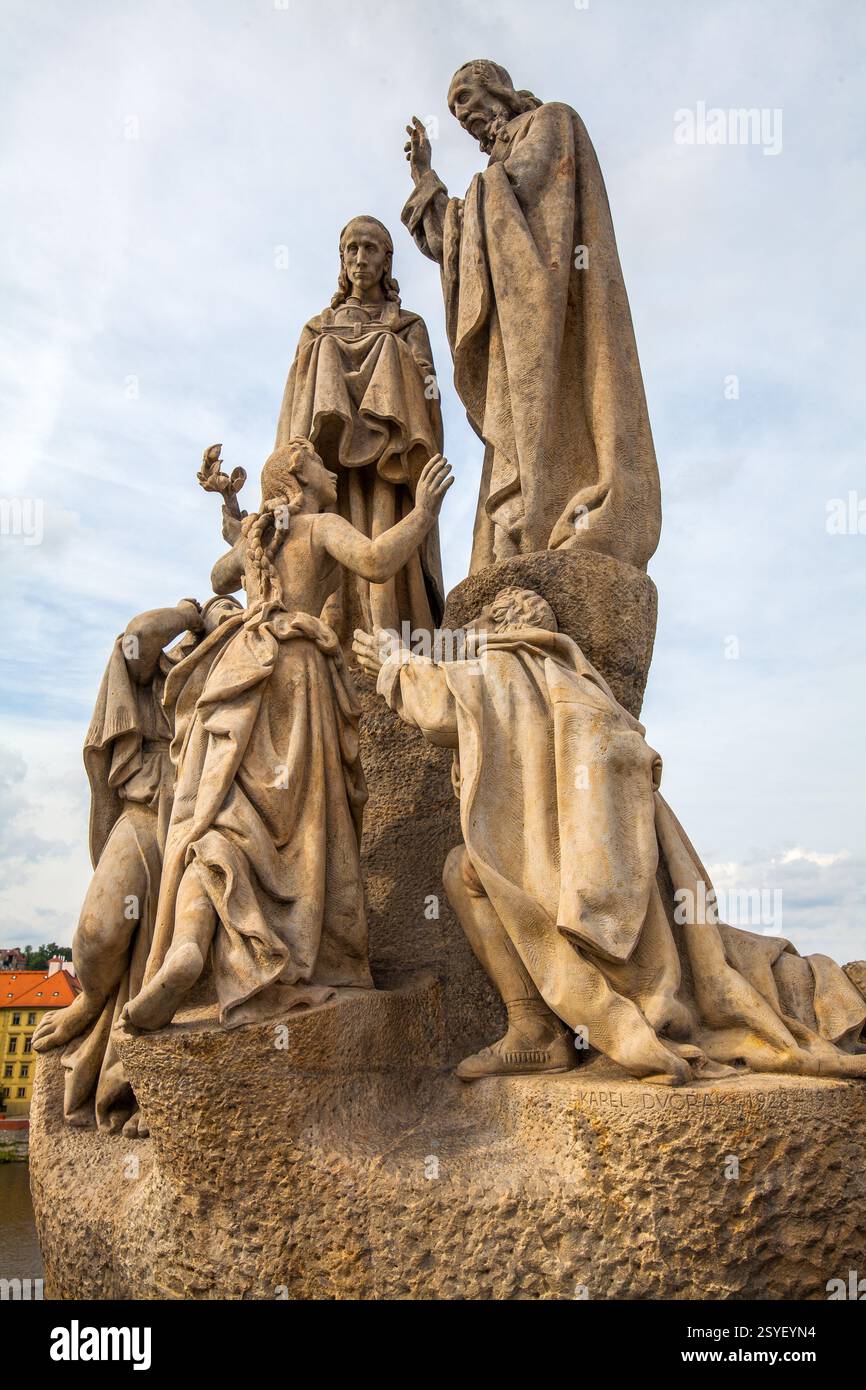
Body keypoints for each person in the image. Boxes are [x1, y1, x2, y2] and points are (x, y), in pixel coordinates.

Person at [354, 588, 866, 1084]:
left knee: (462, 870)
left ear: (501, 625)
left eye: (482, 620)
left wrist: (393, 662)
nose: (469, 633)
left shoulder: (507, 664)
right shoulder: (576, 681)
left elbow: (443, 711)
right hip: (611, 882)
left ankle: (533, 1029)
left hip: (558, 879)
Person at [121, 441, 452, 1033]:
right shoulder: (322, 524)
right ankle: (299, 953)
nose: (332, 471)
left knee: (216, 820)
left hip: (238, 669)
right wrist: (423, 512)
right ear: (302, 476)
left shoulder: (258, 533)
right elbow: (376, 561)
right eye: (322, 464)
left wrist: (233, 503)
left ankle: (189, 947)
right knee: (302, 825)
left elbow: (223, 571)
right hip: (296, 671)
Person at [402, 60, 661, 573]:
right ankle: (514, 547)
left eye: (467, 100)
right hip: (510, 330)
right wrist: (427, 181)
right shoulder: (495, 166)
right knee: (512, 432)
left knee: (549, 421)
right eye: (455, 112)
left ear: (497, 90)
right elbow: (454, 244)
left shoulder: (552, 123)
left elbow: (525, 197)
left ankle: (557, 528)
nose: (464, 117)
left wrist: (477, 194)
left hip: (555, 318)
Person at [32, 595, 241, 1133]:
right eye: (220, 609)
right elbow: (135, 638)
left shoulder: (246, 671)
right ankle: (93, 998)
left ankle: (144, 1076)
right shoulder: (164, 672)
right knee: (100, 931)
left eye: (233, 611)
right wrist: (193, 610)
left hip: (212, 822)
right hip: (147, 812)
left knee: (188, 933)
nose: (228, 615)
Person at [274, 215, 445, 645]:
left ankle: (389, 636)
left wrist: (394, 362)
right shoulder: (317, 328)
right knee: (325, 349)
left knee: (388, 347)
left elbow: (428, 388)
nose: (360, 258)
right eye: (352, 249)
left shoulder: (407, 326)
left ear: (387, 261)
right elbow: (297, 391)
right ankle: (331, 634)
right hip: (328, 467)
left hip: (389, 457)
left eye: (370, 249)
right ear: (341, 259)